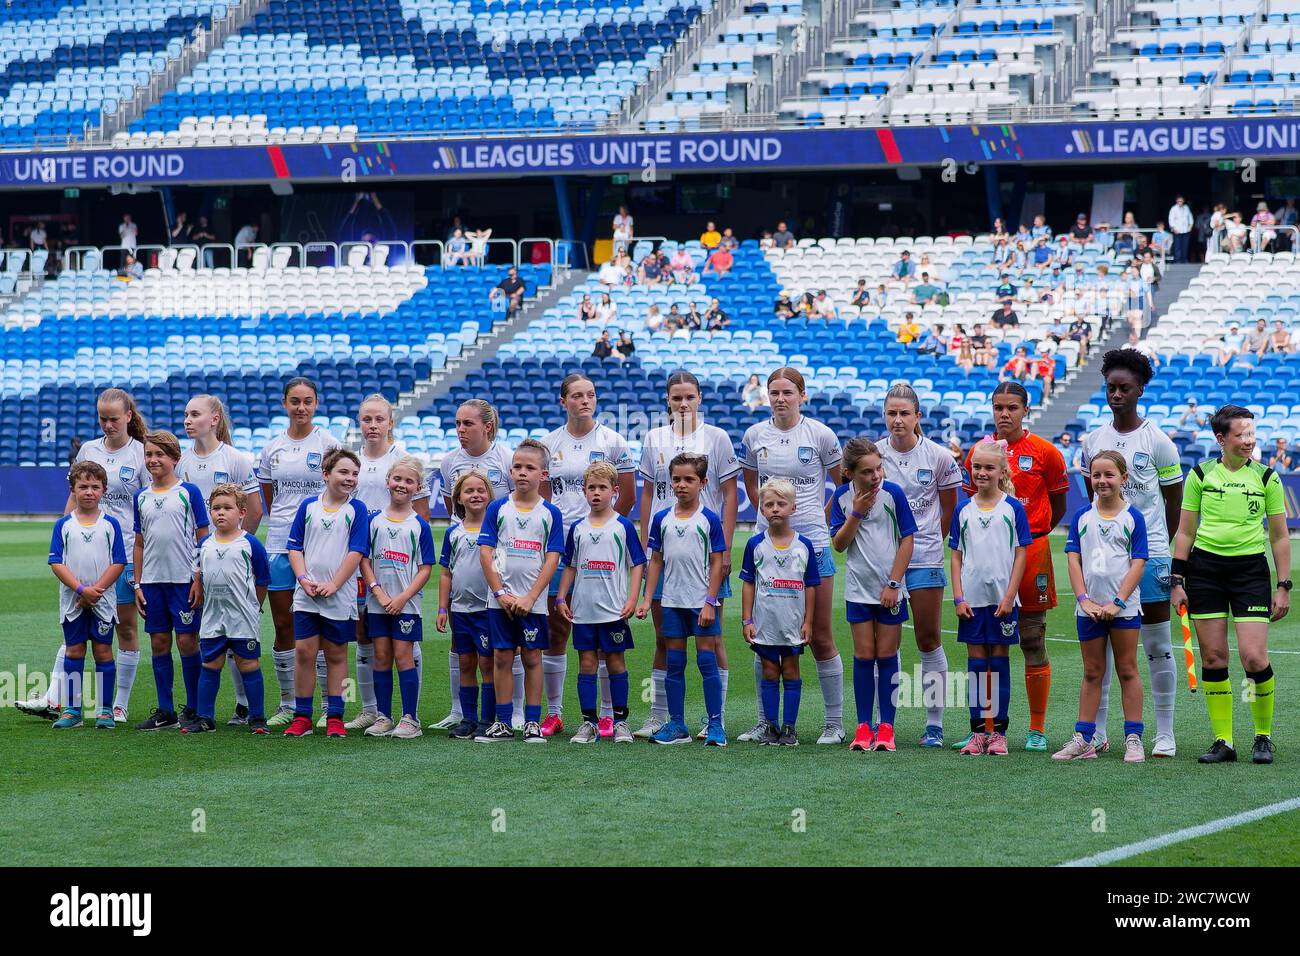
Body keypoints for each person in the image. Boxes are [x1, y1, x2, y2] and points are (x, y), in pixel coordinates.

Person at [1169, 405, 1290, 764]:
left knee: (1253, 657)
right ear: (1221, 439)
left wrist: (1283, 585)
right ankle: (1224, 741)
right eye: (1241, 434)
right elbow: (1185, 531)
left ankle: (1262, 736)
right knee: (1214, 657)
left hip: (1250, 571)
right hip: (1205, 571)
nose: (1249, 441)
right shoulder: (1200, 475)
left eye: (1251, 434)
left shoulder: (1268, 477)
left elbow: (1281, 537)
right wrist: (1177, 580)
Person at [30, 389, 148, 725]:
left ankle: (117, 705)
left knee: (123, 629)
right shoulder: (88, 449)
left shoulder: (141, 453)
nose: (108, 425)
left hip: (120, 555)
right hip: (84, 556)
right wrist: (65, 537)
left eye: (114, 418)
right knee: (77, 636)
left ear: (128, 416)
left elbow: (145, 505)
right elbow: (72, 498)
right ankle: (63, 702)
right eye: (103, 419)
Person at [961, 382, 1069, 752]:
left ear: (1026, 411)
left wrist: (1032, 535)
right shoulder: (979, 452)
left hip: (1031, 552)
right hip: (986, 561)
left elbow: (1057, 505)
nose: (1004, 413)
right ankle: (984, 728)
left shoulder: (1046, 453)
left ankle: (1036, 728)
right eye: (998, 407)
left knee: (1032, 638)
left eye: (1012, 407)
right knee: (983, 642)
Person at [740, 368, 844, 744]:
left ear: (802, 394)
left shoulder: (820, 434)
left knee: (818, 635)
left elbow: (842, 480)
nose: (780, 398)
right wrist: (767, 513)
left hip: (812, 544)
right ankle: (765, 722)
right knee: (764, 634)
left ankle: (834, 723)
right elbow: (751, 483)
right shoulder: (754, 435)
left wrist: (822, 512)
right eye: (774, 392)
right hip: (765, 546)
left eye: (787, 392)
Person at [635, 370, 740, 739]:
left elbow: (730, 495)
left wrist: (724, 548)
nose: (683, 403)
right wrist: (647, 547)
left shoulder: (717, 437)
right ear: (668, 400)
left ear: (699, 398)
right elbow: (647, 493)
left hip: (704, 552)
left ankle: (717, 719)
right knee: (666, 638)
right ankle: (662, 717)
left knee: (713, 640)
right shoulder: (654, 437)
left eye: (689, 397)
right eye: (676, 397)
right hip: (665, 550)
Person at [539, 374, 635, 736]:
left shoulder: (613, 440)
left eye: (591, 394)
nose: (585, 400)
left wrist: (605, 533)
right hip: (559, 549)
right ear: (563, 401)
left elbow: (626, 496)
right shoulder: (549, 443)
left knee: (606, 632)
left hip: (601, 550)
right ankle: (555, 712)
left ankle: (610, 717)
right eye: (577, 395)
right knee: (558, 628)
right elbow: (545, 499)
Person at [879, 384, 963, 746]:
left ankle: (934, 724)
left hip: (925, 557)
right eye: (891, 413)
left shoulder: (939, 457)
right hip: (882, 560)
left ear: (918, 417)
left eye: (904, 414)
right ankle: (887, 723)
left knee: (928, 639)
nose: (897, 420)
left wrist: (927, 540)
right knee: (888, 643)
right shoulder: (874, 455)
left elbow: (948, 509)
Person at [256, 378, 341, 726]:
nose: (301, 407)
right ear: (284, 403)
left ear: (316, 404)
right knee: (282, 623)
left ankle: (325, 707)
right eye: (295, 401)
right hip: (278, 544)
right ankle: (288, 702)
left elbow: (340, 490)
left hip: (320, 545)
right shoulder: (272, 447)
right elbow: (269, 497)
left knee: (320, 626)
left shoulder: (329, 443)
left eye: (307, 401)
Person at [1055, 452, 1150, 762]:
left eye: (1109, 475)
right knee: (1092, 672)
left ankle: (1133, 737)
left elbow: (1138, 563)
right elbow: (1073, 559)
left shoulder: (1133, 517)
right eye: (1096, 475)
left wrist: (1117, 602)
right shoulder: (1082, 517)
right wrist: (1084, 600)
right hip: (1089, 610)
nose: (1102, 481)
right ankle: (1084, 739)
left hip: (1122, 609)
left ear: (1124, 478)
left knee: (1127, 670)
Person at [178, 394, 263, 724]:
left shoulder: (235, 458)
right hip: (192, 563)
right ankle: (198, 708)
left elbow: (255, 510)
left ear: (214, 419)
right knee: (205, 634)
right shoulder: (183, 463)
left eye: (195, 414)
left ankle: (243, 704)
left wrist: (234, 549)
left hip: (228, 562)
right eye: (185, 414)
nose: (187, 419)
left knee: (235, 634)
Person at [830, 438, 917, 753]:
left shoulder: (893, 494)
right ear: (850, 472)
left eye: (878, 467)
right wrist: (856, 513)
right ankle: (863, 727)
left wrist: (894, 584)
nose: (875, 475)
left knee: (887, 656)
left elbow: (907, 540)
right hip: (858, 590)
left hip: (890, 592)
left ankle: (887, 728)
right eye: (867, 471)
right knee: (864, 657)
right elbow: (839, 545)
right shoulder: (842, 497)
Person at [635, 453, 728, 745]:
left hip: (700, 603)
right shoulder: (661, 519)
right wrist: (647, 598)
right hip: (672, 602)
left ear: (703, 483)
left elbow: (716, 564)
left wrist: (710, 602)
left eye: (689, 479)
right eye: (676, 479)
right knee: (674, 662)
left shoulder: (709, 519)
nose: (681, 485)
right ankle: (677, 725)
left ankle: (716, 724)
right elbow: (656, 561)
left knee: (706, 661)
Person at [476, 439, 565, 742]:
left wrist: (530, 597)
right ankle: (502, 721)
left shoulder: (550, 512)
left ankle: (531, 721)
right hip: (499, 600)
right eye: (517, 467)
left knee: (532, 658)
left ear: (544, 474)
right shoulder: (497, 508)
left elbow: (552, 558)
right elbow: (486, 553)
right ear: (510, 471)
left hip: (533, 603)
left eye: (530, 467)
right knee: (501, 656)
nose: (522, 472)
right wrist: (501, 593)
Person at [350, 395, 431, 731]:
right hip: (366, 569)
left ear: (390, 423)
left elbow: (424, 556)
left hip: (403, 585)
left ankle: (409, 715)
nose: (373, 425)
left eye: (379, 419)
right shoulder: (352, 460)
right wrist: (372, 584)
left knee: (403, 651)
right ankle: (372, 710)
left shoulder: (403, 459)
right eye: (366, 419)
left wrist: (399, 594)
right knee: (367, 642)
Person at [950, 440, 1032, 755]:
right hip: (971, 601)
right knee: (976, 666)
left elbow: (1020, 553)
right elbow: (956, 556)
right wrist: (958, 597)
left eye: (988, 467)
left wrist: (1010, 596)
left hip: (1002, 603)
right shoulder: (963, 509)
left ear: (1001, 471)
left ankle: (997, 732)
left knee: (998, 665)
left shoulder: (1012, 508)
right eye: (977, 467)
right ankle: (976, 732)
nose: (982, 473)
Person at [556, 461, 646, 744]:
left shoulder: (622, 526)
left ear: (614, 491)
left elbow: (637, 564)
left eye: (602, 488)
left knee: (616, 662)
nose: (596, 493)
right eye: (591, 487)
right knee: (586, 663)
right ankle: (589, 723)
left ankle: (620, 722)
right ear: (583, 491)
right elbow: (569, 565)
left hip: (613, 609)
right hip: (583, 610)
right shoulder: (578, 528)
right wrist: (561, 596)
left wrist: (633, 598)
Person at [282, 449, 370, 738]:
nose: (350, 478)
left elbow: (357, 552)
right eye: (344, 472)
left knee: (337, 655)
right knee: (305, 653)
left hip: (339, 596)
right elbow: (294, 547)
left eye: (355, 474)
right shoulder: (308, 506)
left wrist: (334, 584)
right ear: (326, 474)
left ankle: (336, 715)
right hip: (307, 594)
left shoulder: (357, 510)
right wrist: (304, 579)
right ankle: (302, 716)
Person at [132, 430, 209, 732]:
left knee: (187, 641)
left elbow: (203, 536)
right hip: (152, 582)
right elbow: (139, 543)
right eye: (149, 454)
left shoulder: (188, 492)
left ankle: (193, 707)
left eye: (159, 454)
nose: (153, 460)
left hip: (183, 580)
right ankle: (165, 710)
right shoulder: (142, 497)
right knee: (159, 642)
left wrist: (198, 577)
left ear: (175, 458)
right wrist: (137, 584)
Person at [358, 455, 435, 740]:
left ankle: (410, 719)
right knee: (380, 656)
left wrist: (402, 597)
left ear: (418, 487)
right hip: (378, 603)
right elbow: (364, 559)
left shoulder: (420, 525)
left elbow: (425, 568)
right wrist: (377, 591)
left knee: (403, 657)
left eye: (409, 481)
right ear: (388, 480)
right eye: (397, 479)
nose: (402, 485)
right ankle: (383, 716)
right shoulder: (373, 521)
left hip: (406, 605)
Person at [47, 462, 128, 730]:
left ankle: (104, 710)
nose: (89, 492)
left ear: (104, 490)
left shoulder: (111, 524)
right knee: (75, 649)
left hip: (103, 600)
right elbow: (57, 562)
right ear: (73, 490)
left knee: (103, 650)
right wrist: (82, 590)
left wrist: (96, 591)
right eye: (83, 486)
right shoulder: (63, 525)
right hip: (73, 600)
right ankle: (72, 710)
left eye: (95, 487)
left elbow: (118, 562)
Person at [740, 479, 819, 747]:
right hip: (766, 623)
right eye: (769, 504)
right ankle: (771, 727)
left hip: (793, 623)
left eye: (781, 504)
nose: (775, 509)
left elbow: (810, 586)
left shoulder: (804, 545)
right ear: (761, 509)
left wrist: (808, 621)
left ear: (793, 508)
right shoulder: (755, 545)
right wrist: (747, 619)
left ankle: (790, 728)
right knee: (770, 672)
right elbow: (748, 583)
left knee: (792, 671)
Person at [190, 484, 270, 734]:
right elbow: (198, 575)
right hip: (213, 616)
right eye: (216, 508)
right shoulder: (204, 544)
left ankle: (257, 718)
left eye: (227, 508)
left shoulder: (250, 544)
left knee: (248, 665)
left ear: (242, 513)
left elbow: (262, 580)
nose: (220, 513)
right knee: (210, 664)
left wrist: (253, 606)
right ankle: (205, 718)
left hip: (242, 617)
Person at [437, 470, 496, 739]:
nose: (475, 495)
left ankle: (488, 719)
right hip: (460, 610)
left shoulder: (495, 529)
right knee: (466, 664)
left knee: (487, 665)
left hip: (487, 609)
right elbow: (446, 573)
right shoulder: (453, 533)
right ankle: (468, 719)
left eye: (480, 490)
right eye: (469, 491)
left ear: (489, 495)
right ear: (458, 498)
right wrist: (442, 608)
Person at [1169, 195, 1194, 263]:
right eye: (1179, 201)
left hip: (1186, 230)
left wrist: (1190, 226)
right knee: (1177, 246)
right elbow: (1171, 219)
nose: (1180, 202)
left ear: (1183, 201)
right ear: (1176, 201)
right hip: (1177, 230)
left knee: (1185, 246)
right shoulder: (1173, 209)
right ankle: (1178, 260)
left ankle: (1185, 259)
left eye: (1181, 201)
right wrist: (1173, 228)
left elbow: (1190, 217)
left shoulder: (1186, 208)